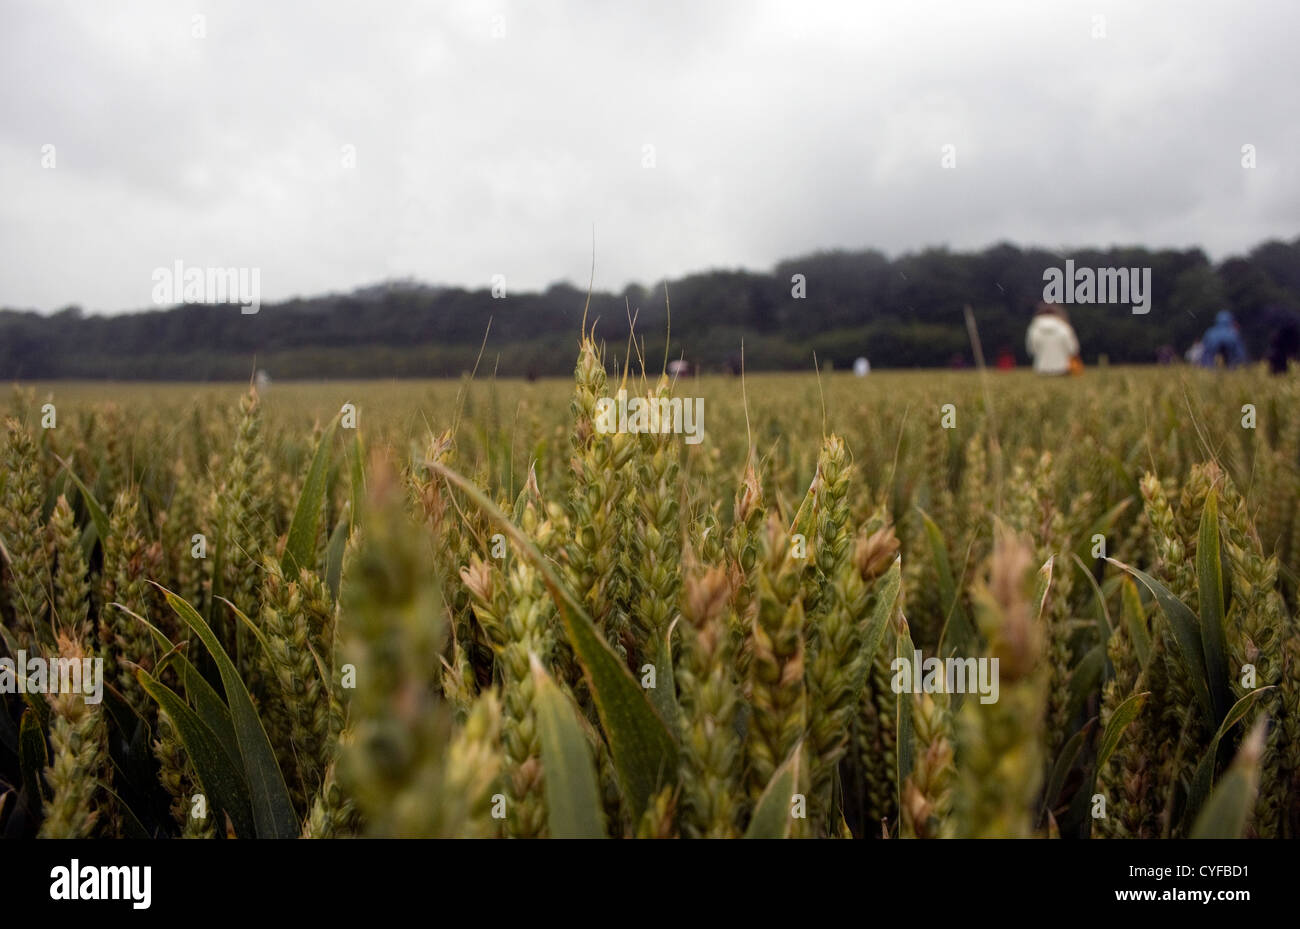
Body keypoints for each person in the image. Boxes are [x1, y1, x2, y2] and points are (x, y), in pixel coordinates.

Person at [1025, 303, 1079, 376]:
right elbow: (1073, 349)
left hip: (1041, 370)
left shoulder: (1034, 328)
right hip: (1062, 369)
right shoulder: (1064, 327)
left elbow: (1031, 349)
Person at [1265, 308, 1300, 375]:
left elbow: (1274, 344)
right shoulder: (1295, 333)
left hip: (1279, 359)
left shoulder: (1281, 333)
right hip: (1287, 358)